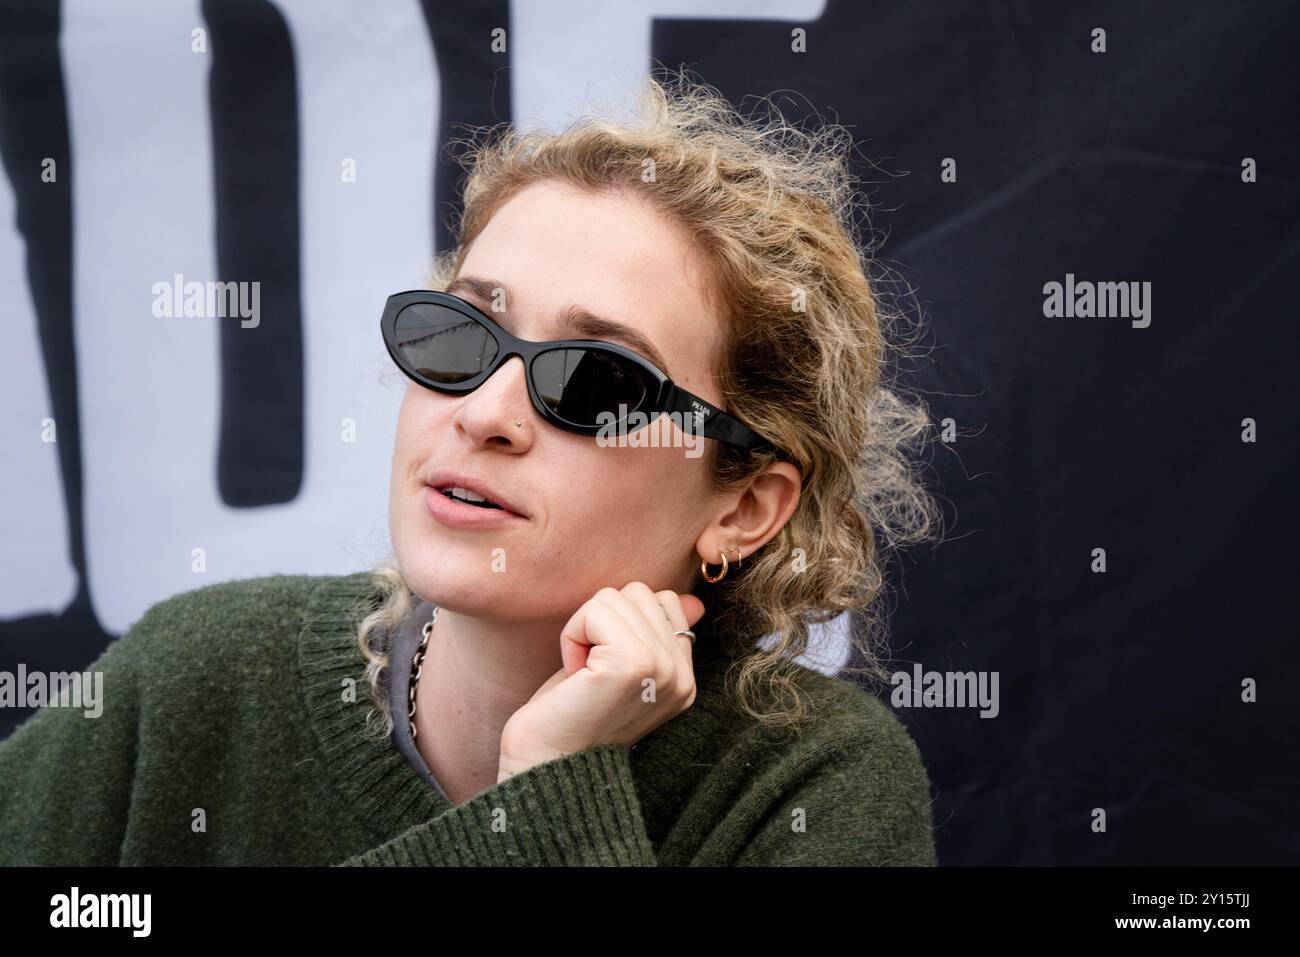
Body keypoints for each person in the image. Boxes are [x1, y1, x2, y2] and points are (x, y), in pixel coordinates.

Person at [0, 68, 941, 866]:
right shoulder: (195, 680)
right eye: (464, 334)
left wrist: (550, 791)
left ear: (745, 506)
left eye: (595, 380)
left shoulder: (814, 788)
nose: (487, 412)